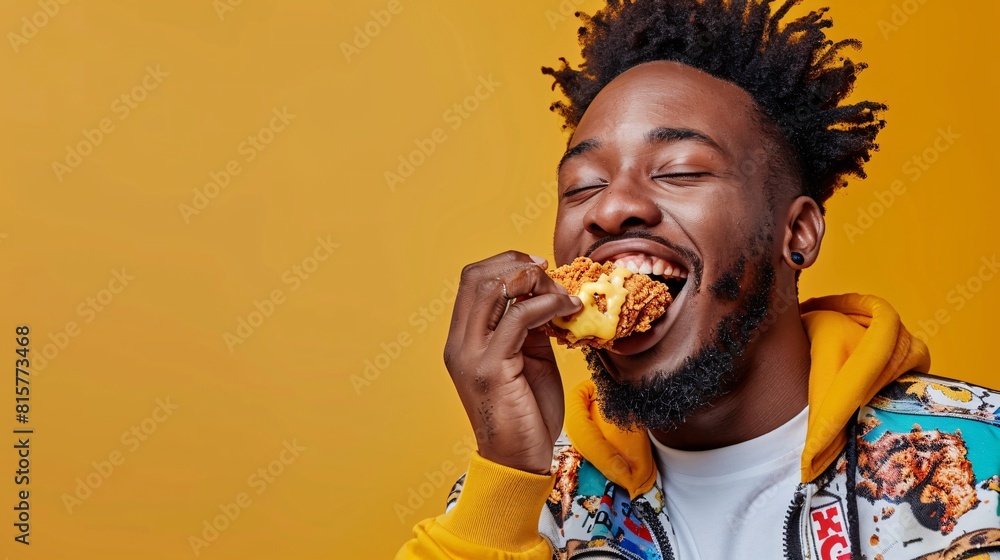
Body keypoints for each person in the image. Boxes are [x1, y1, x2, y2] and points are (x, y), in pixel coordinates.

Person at [395, 1, 1000, 558]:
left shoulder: (978, 469)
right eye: (582, 186)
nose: (609, 209)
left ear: (798, 234)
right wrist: (506, 475)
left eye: (679, 170)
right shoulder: (529, 499)